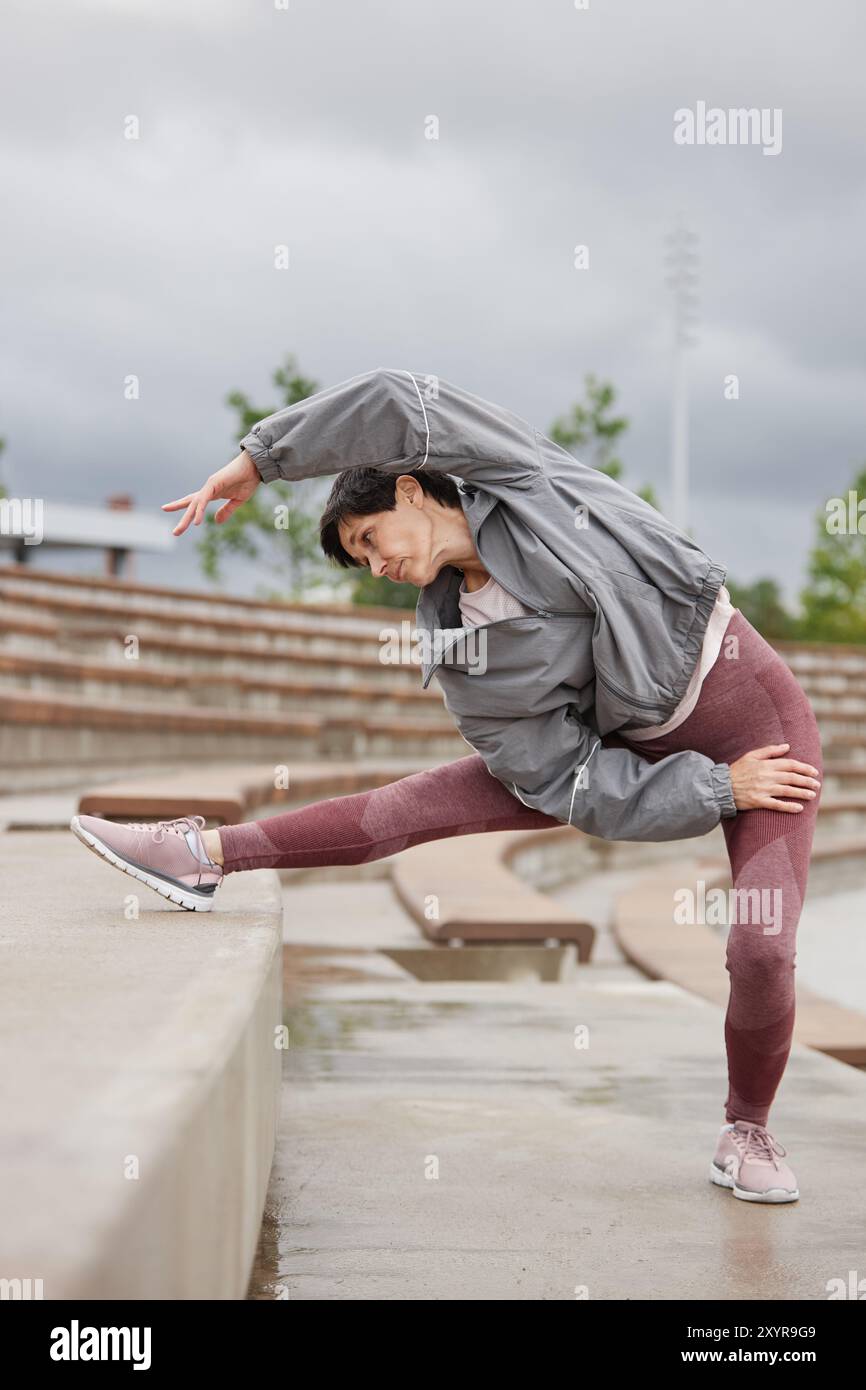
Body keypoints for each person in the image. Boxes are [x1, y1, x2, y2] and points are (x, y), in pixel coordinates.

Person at [70, 368, 823, 1203]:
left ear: (410, 488)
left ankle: (746, 1128)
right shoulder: (461, 647)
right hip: (632, 750)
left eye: (369, 539)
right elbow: (569, 779)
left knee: (760, 946)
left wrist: (261, 459)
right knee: (415, 805)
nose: (376, 566)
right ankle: (201, 852)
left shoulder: (522, 479)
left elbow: (396, 399)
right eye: (360, 561)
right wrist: (714, 788)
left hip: (757, 724)